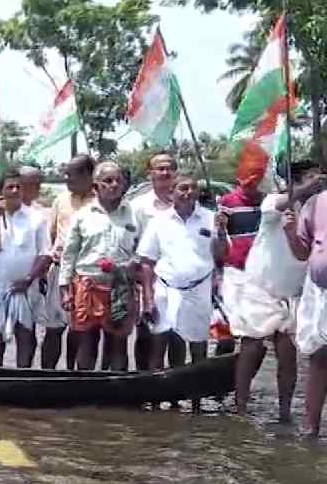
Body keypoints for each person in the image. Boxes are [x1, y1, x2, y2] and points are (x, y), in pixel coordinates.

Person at [224, 161, 321, 421]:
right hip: (260, 287)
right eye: (311, 177)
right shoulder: (274, 201)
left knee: (288, 353)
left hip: (293, 291)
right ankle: (241, 407)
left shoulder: (315, 208)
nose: (318, 181)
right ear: (296, 180)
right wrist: (301, 190)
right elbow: (276, 207)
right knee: (252, 346)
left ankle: (285, 412)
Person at [137, 172, 227, 373]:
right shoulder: (159, 221)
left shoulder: (211, 218)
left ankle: (196, 401)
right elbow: (146, 263)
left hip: (200, 290)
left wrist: (221, 234)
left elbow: (221, 255)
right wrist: (148, 300)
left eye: (193, 188)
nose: (189, 193)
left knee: (198, 346)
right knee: (160, 344)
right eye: (183, 188)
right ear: (172, 192)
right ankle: (158, 398)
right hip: (165, 289)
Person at [59, 161, 139, 371]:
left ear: (124, 185)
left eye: (118, 181)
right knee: (87, 340)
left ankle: (117, 393)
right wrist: (65, 290)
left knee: (119, 342)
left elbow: (144, 249)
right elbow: (69, 255)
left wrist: (133, 264)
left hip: (121, 285)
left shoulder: (134, 214)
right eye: (107, 181)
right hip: (88, 285)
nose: (113, 185)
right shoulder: (82, 216)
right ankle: (85, 391)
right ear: (96, 187)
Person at [0, 169, 51, 368]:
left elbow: (45, 254)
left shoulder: (36, 217)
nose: (14, 191)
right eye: (9, 187)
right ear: (1, 192)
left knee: (26, 335)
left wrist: (29, 279)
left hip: (26, 288)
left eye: (18, 187)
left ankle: (24, 378)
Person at [41, 155, 97, 369]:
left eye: (70, 175)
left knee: (82, 330)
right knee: (54, 328)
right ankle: (46, 377)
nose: (66, 179)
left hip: (87, 275)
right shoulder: (60, 200)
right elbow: (53, 233)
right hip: (60, 271)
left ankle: (77, 377)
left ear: (87, 175)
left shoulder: (100, 202)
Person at [288, 166, 327, 435]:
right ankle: (310, 427)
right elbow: (302, 252)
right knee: (319, 356)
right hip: (319, 290)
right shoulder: (315, 203)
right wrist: (291, 231)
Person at [130, 153, 178, 369]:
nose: (165, 173)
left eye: (169, 168)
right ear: (151, 173)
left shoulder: (183, 201)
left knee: (177, 334)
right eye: (160, 168)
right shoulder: (138, 205)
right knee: (146, 332)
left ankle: (177, 388)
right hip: (147, 277)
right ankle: (142, 383)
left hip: (179, 280)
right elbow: (131, 242)